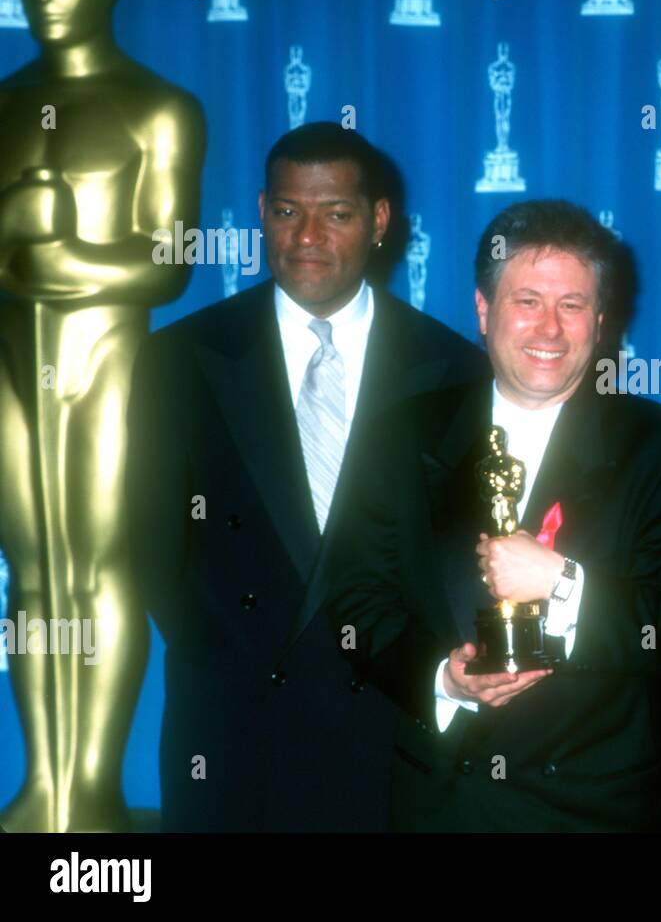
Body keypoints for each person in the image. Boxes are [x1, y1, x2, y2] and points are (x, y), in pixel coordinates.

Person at [126, 122, 485, 831]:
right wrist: (229, 661)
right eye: (289, 211)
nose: (308, 235)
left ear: (380, 220)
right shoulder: (182, 357)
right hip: (234, 730)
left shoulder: (451, 368)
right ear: (261, 211)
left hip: (389, 732)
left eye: (337, 214)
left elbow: (453, 563)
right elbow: (151, 542)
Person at [327, 199, 661, 832]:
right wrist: (442, 681)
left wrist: (564, 583)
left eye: (572, 305)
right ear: (483, 310)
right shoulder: (400, 434)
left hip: (598, 814)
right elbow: (358, 601)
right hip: (442, 807)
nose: (550, 329)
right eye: (527, 301)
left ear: (602, 319)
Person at [0, 0, 204, 833]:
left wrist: (63, 252)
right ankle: (45, 781)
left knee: (100, 569)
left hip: (105, 364)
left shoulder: (158, 108)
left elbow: (172, 258)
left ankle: (94, 785)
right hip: (11, 366)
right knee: (33, 572)